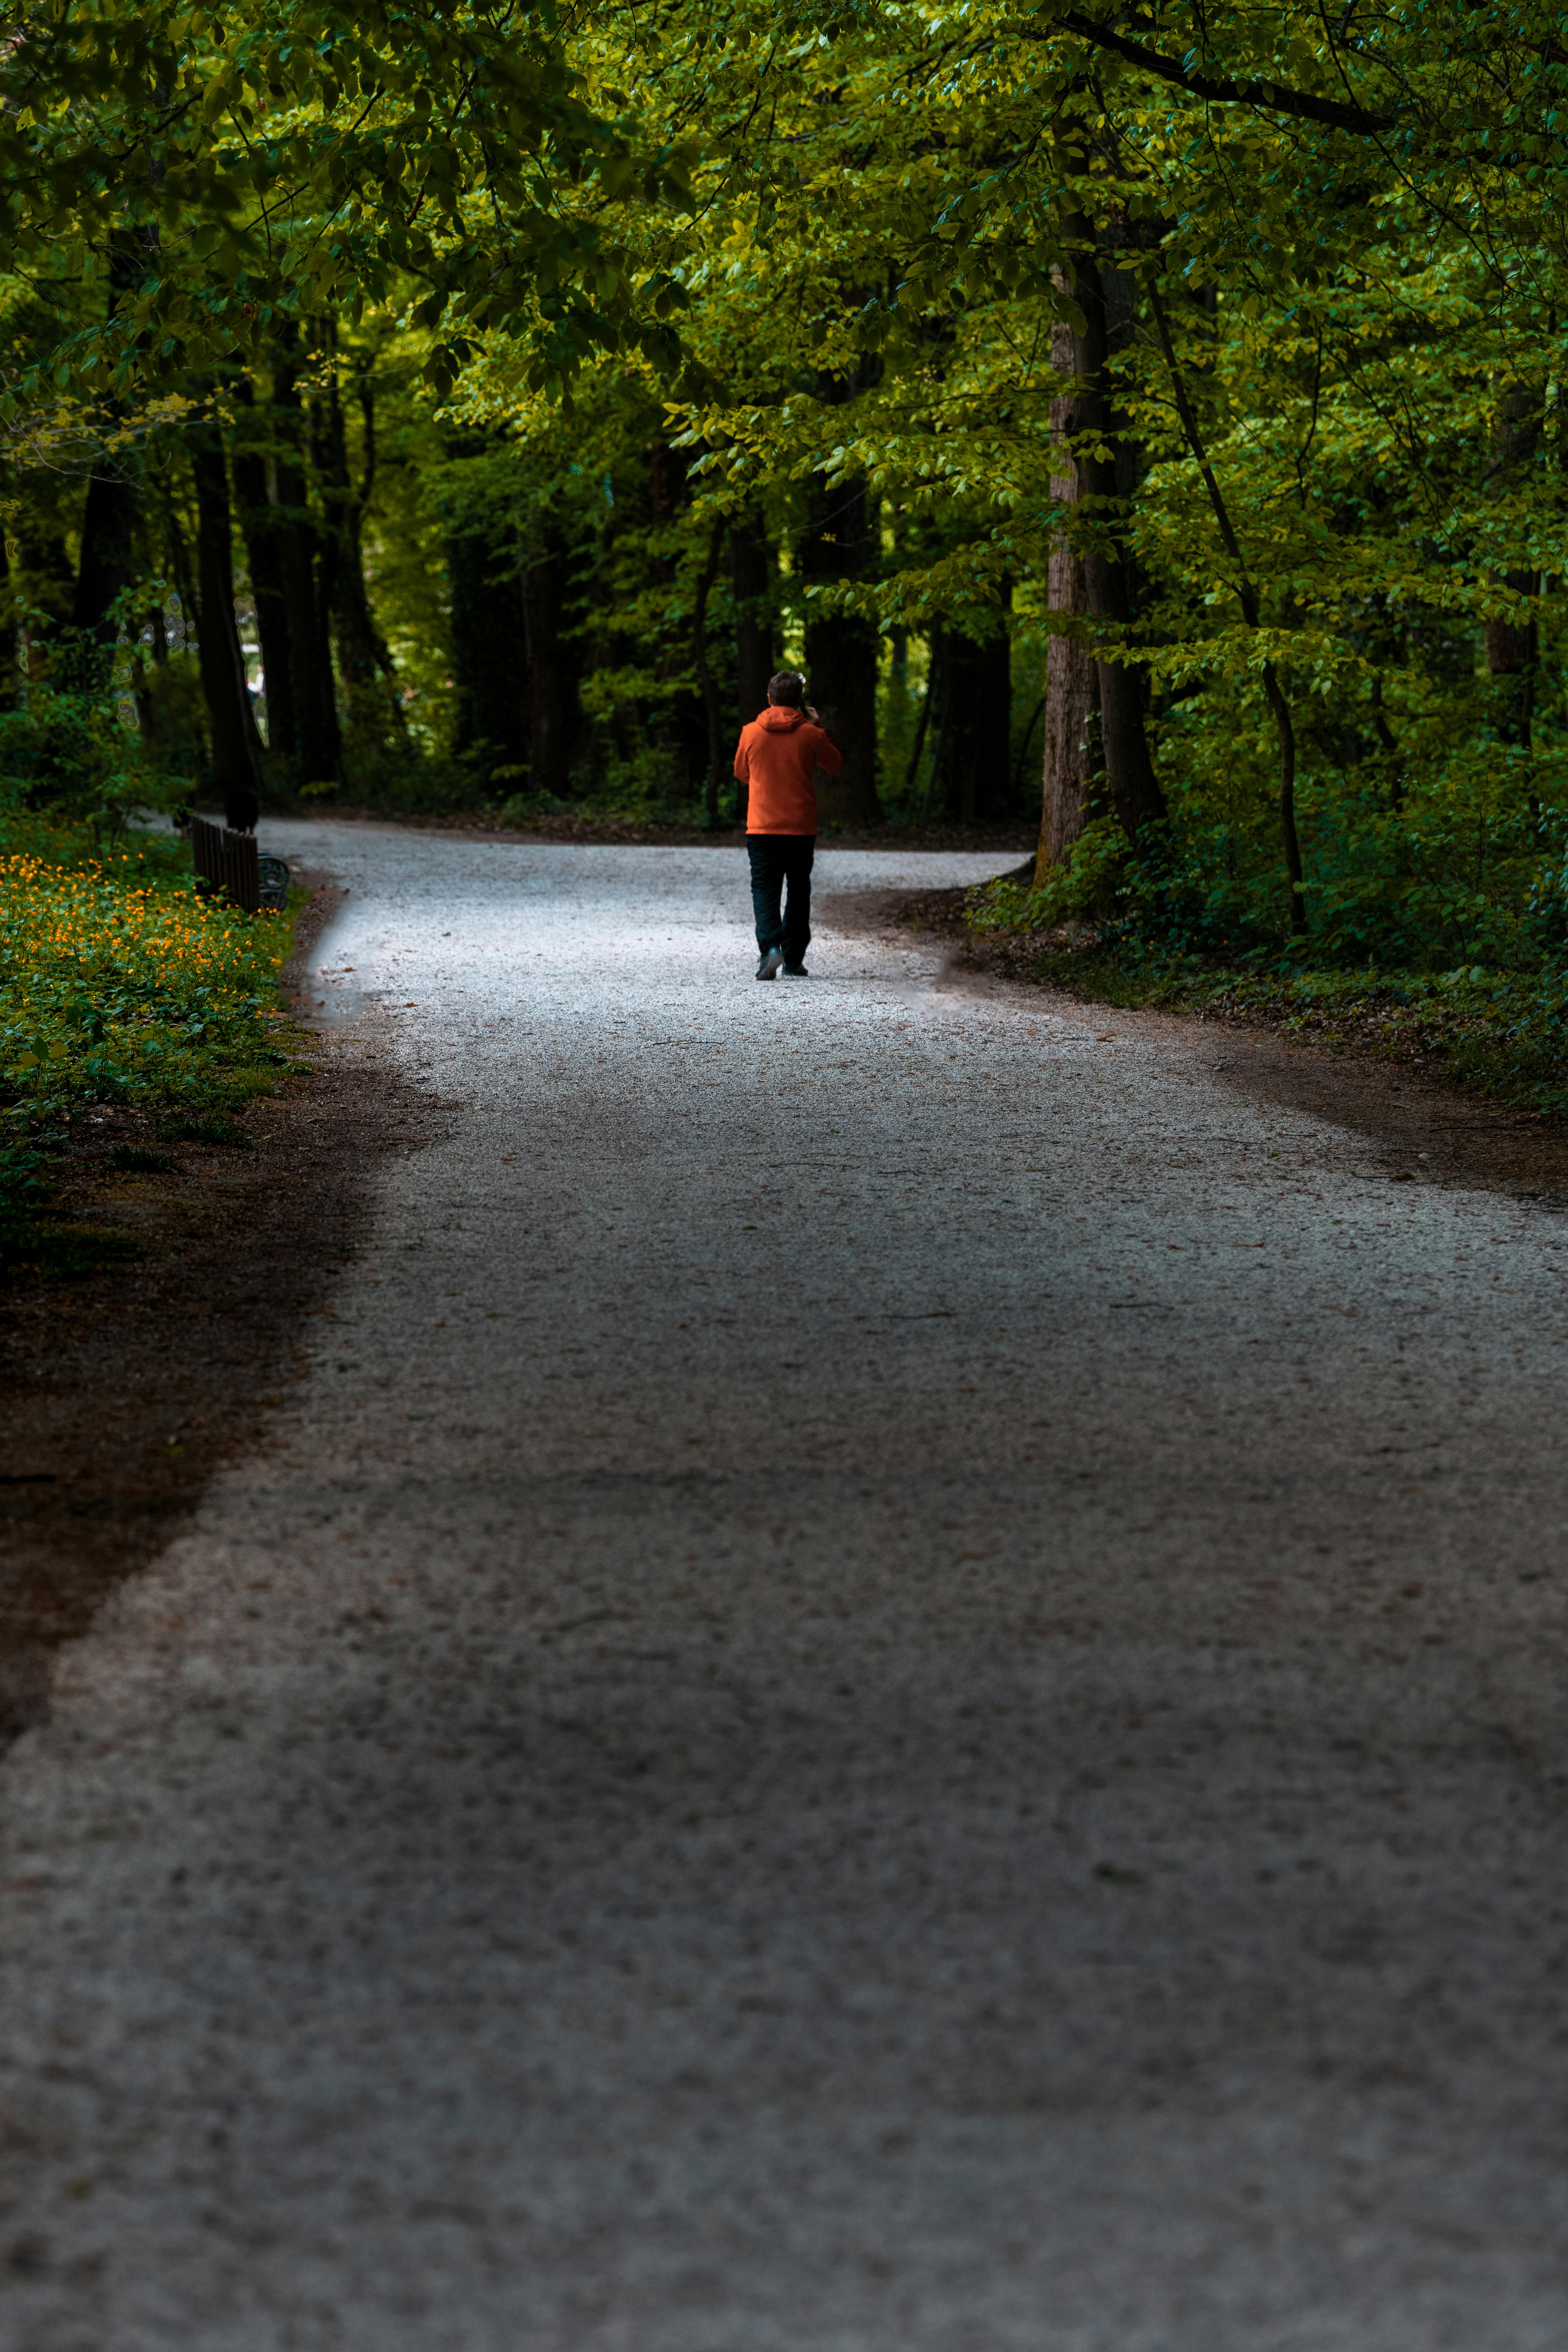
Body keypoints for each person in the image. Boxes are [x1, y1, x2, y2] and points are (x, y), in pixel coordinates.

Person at [732, 670, 843, 980]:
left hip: (762, 827)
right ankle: (793, 959)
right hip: (800, 828)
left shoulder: (751, 732)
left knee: (765, 890)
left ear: (769, 699)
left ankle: (770, 950)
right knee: (798, 890)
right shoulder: (810, 733)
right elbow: (835, 766)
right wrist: (818, 725)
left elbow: (741, 773)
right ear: (799, 702)